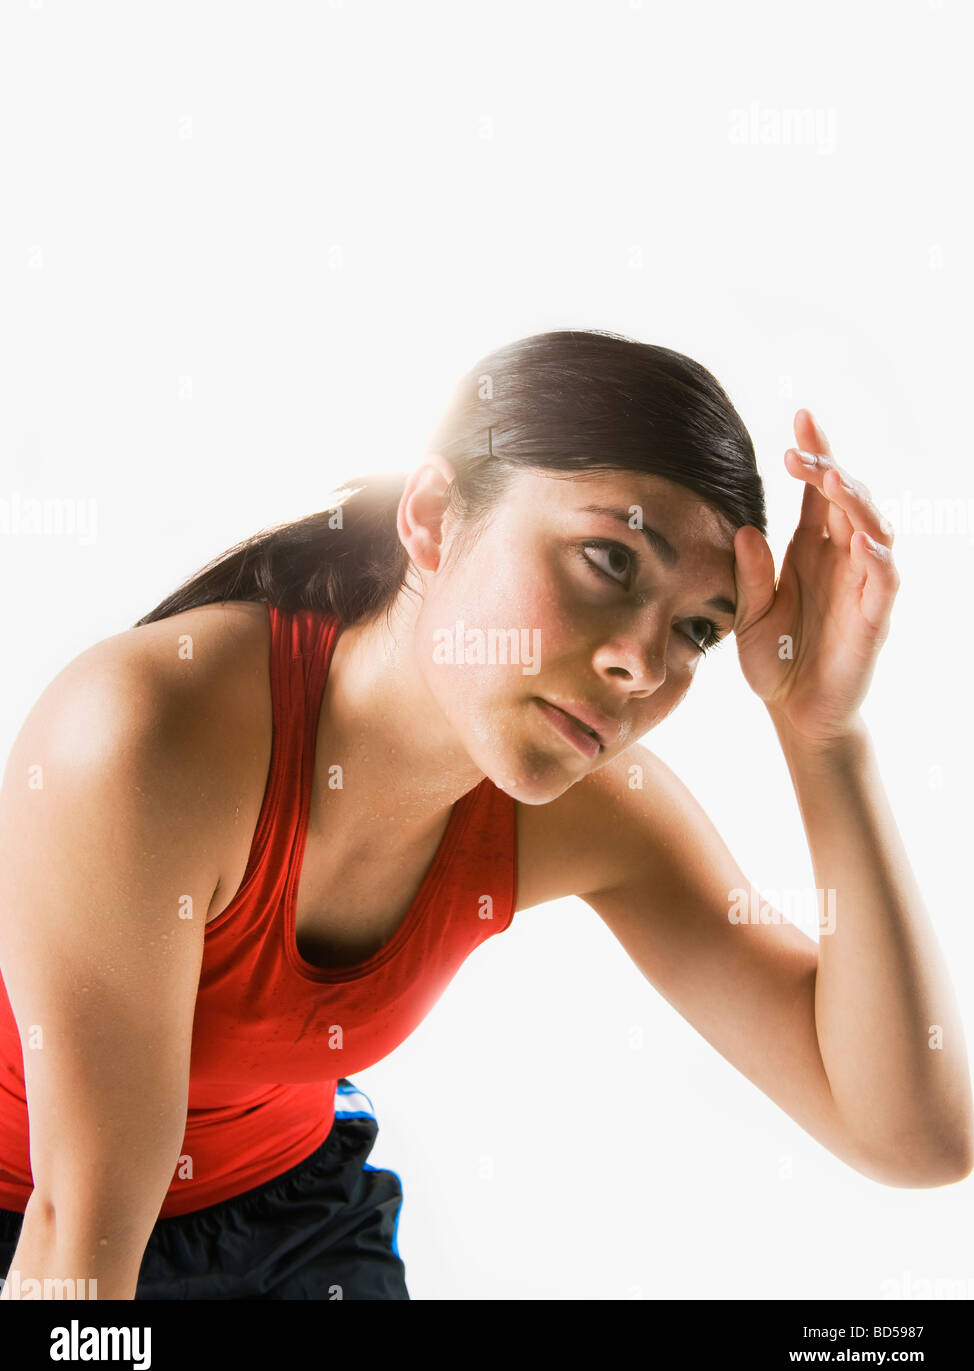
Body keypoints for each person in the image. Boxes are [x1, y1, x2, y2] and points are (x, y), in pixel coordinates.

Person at [0, 328, 971, 1302]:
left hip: (290, 1212)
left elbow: (908, 1134)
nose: (641, 664)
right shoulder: (142, 735)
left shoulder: (588, 809)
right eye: (609, 558)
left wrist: (820, 734)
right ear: (431, 514)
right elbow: (75, 1238)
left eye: (696, 631)